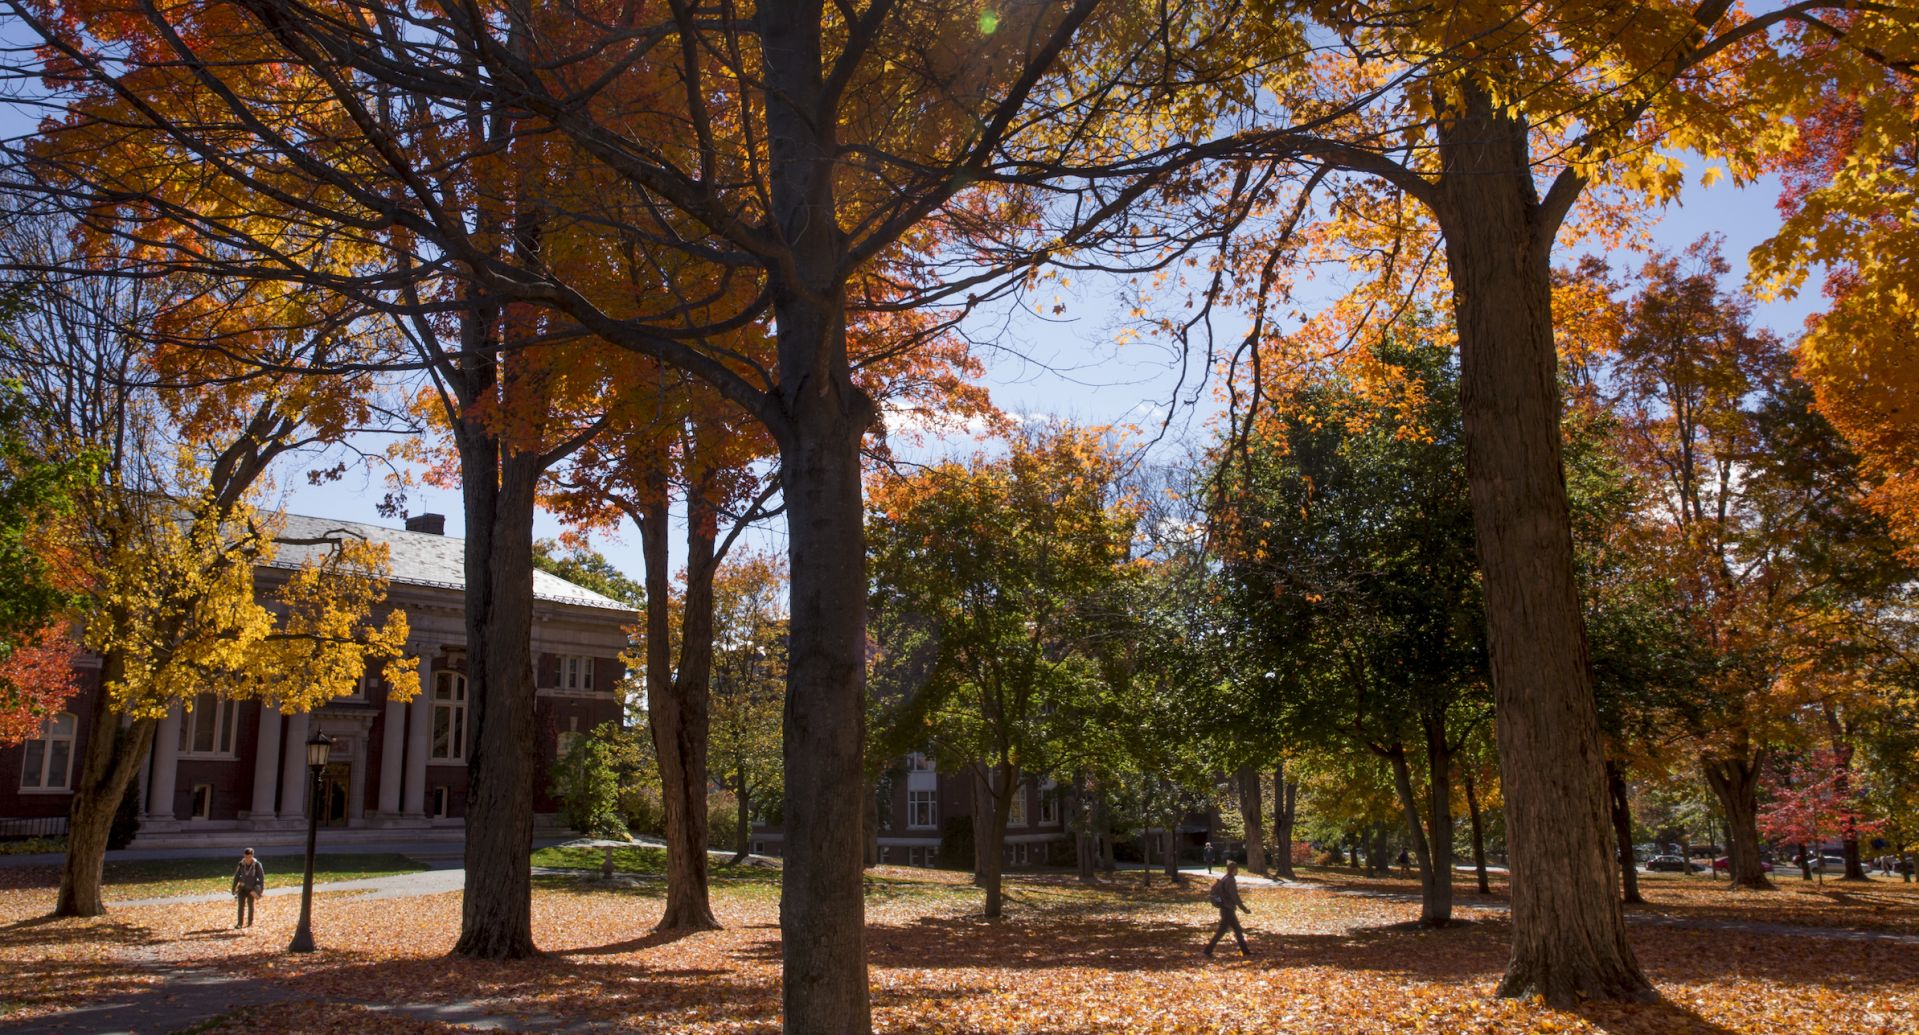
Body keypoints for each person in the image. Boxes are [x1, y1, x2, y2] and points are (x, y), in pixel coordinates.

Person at [1203, 860, 1252, 957]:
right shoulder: (1231, 880)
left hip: (1225, 908)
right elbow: (1235, 896)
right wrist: (1244, 908)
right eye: (1237, 869)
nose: (1237, 871)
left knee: (1237, 930)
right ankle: (1207, 950)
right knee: (1223, 931)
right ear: (1234, 869)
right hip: (1228, 909)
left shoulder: (1225, 878)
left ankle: (1246, 951)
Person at [232, 848, 265, 929]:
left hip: (251, 889)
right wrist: (233, 888)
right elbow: (236, 876)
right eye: (246, 857)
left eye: (249, 857)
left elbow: (261, 878)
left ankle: (250, 923)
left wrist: (261, 890)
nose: (248, 859)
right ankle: (240, 923)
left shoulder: (257, 864)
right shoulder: (241, 864)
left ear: (252, 856)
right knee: (240, 906)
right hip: (242, 889)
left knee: (250, 906)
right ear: (244, 855)